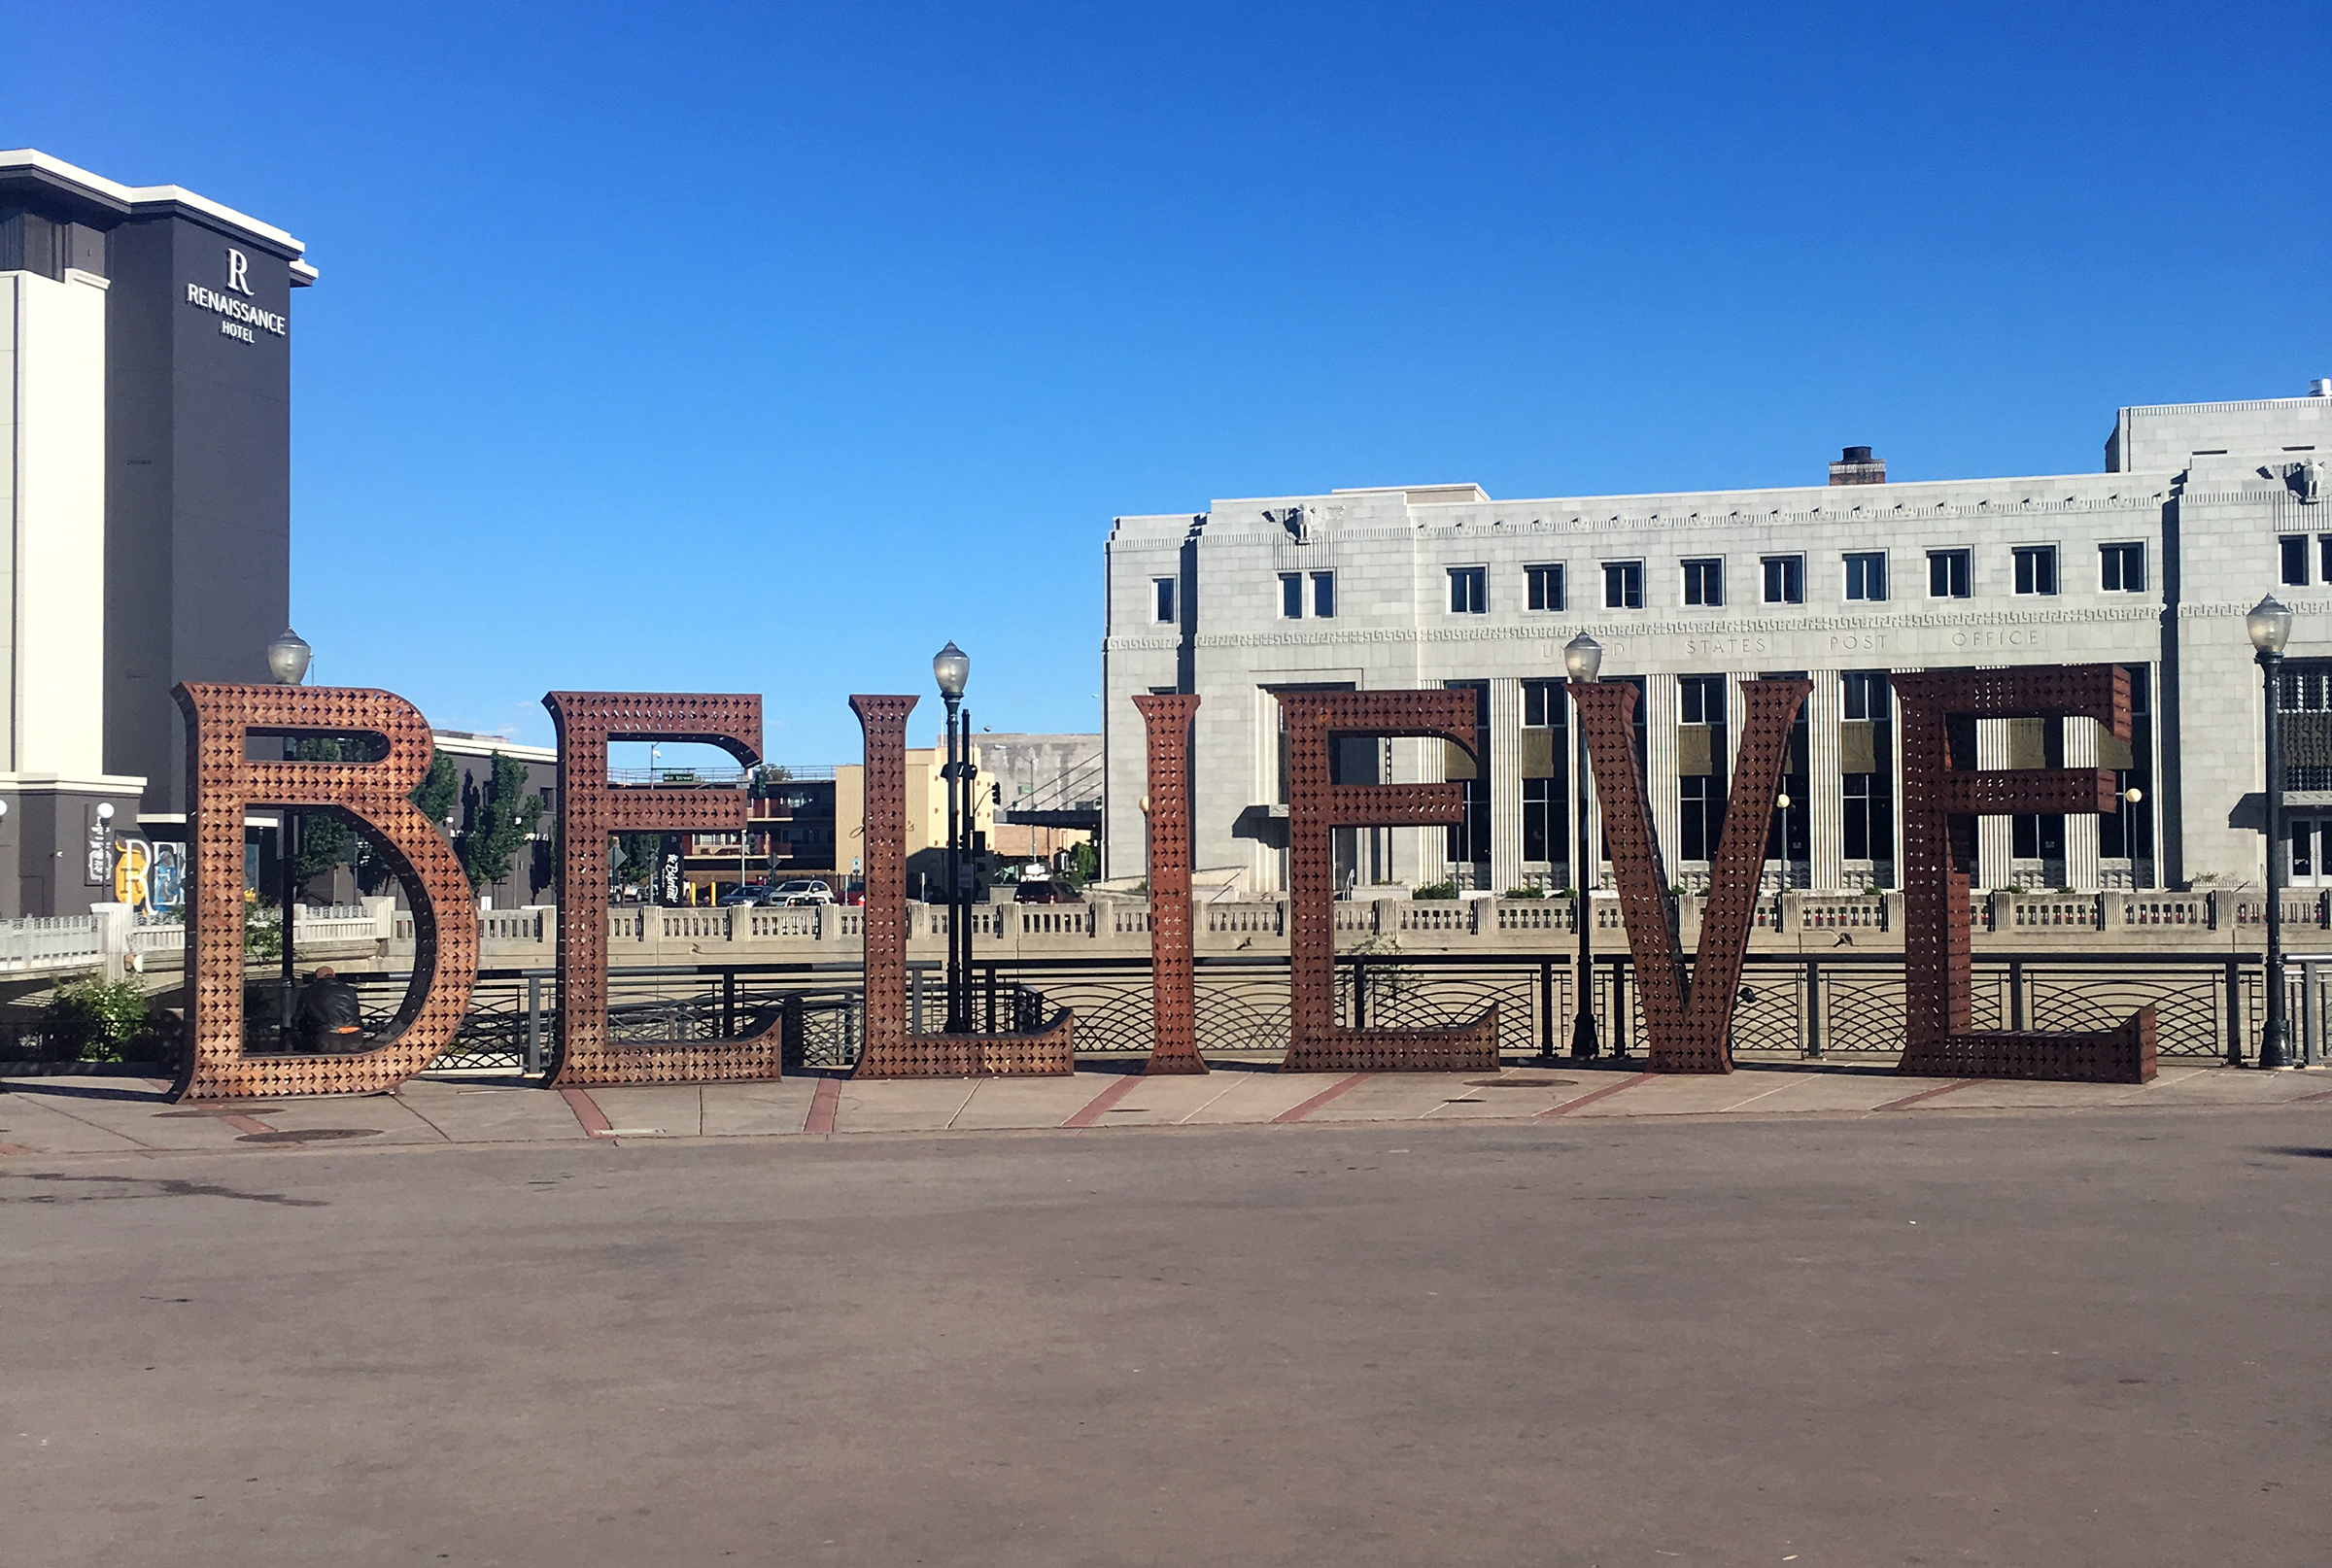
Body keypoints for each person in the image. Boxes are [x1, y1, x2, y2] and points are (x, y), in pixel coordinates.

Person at [292, 966, 362, 1051]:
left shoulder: (309, 991)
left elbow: (299, 1018)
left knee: (291, 1037)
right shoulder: (349, 989)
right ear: (334, 976)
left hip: (326, 1038)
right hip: (355, 1037)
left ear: (316, 977)